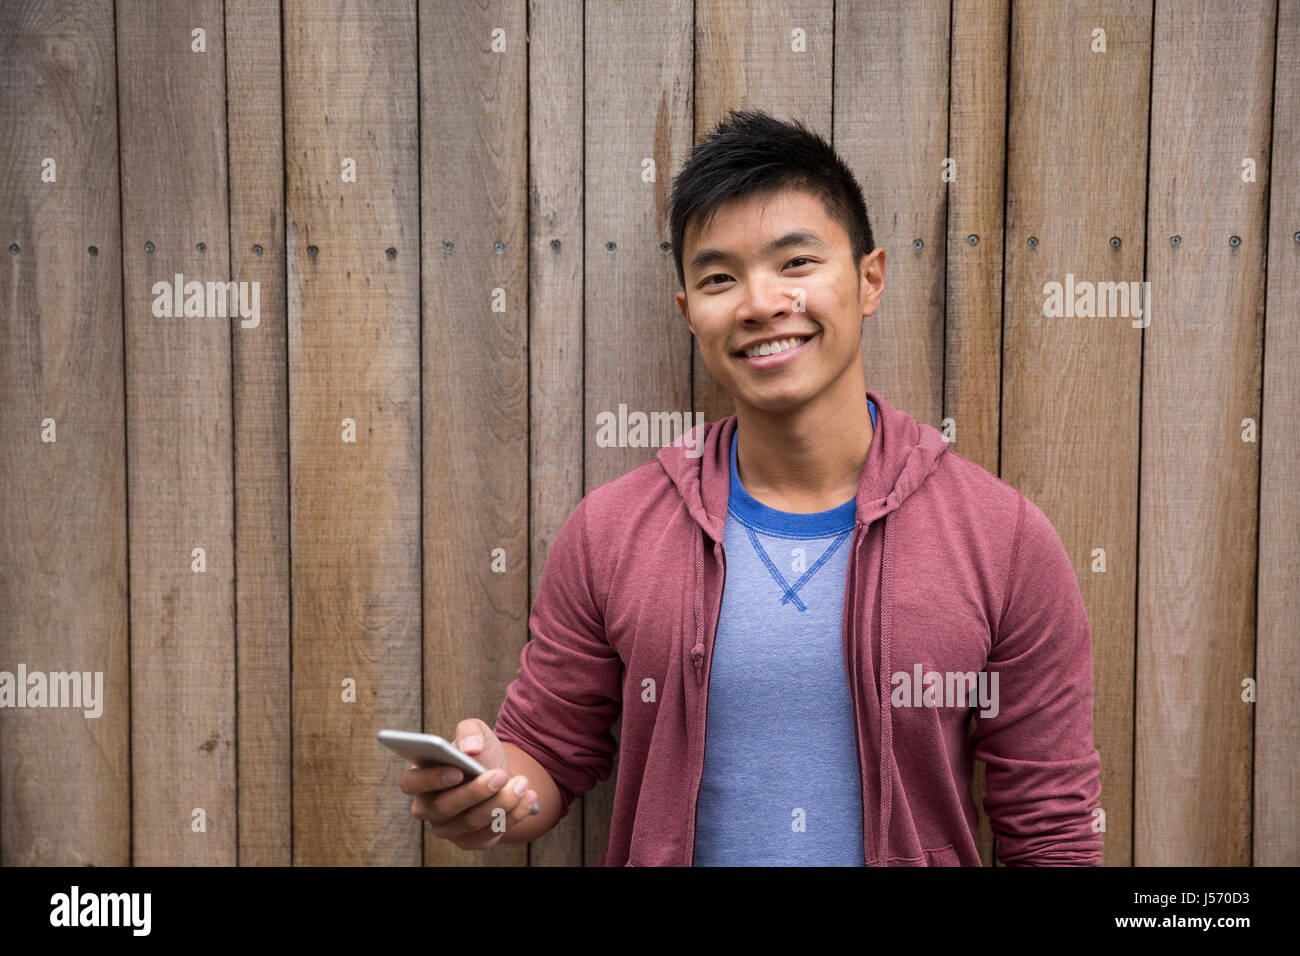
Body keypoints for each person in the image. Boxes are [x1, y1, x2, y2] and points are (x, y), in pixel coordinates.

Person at [400, 108, 1103, 866]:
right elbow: (547, 754)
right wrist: (491, 795)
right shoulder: (612, 530)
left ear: (870, 280)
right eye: (718, 277)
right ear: (690, 314)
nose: (761, 302)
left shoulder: (1004, 540)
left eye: (796, 263)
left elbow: (1052, 831)